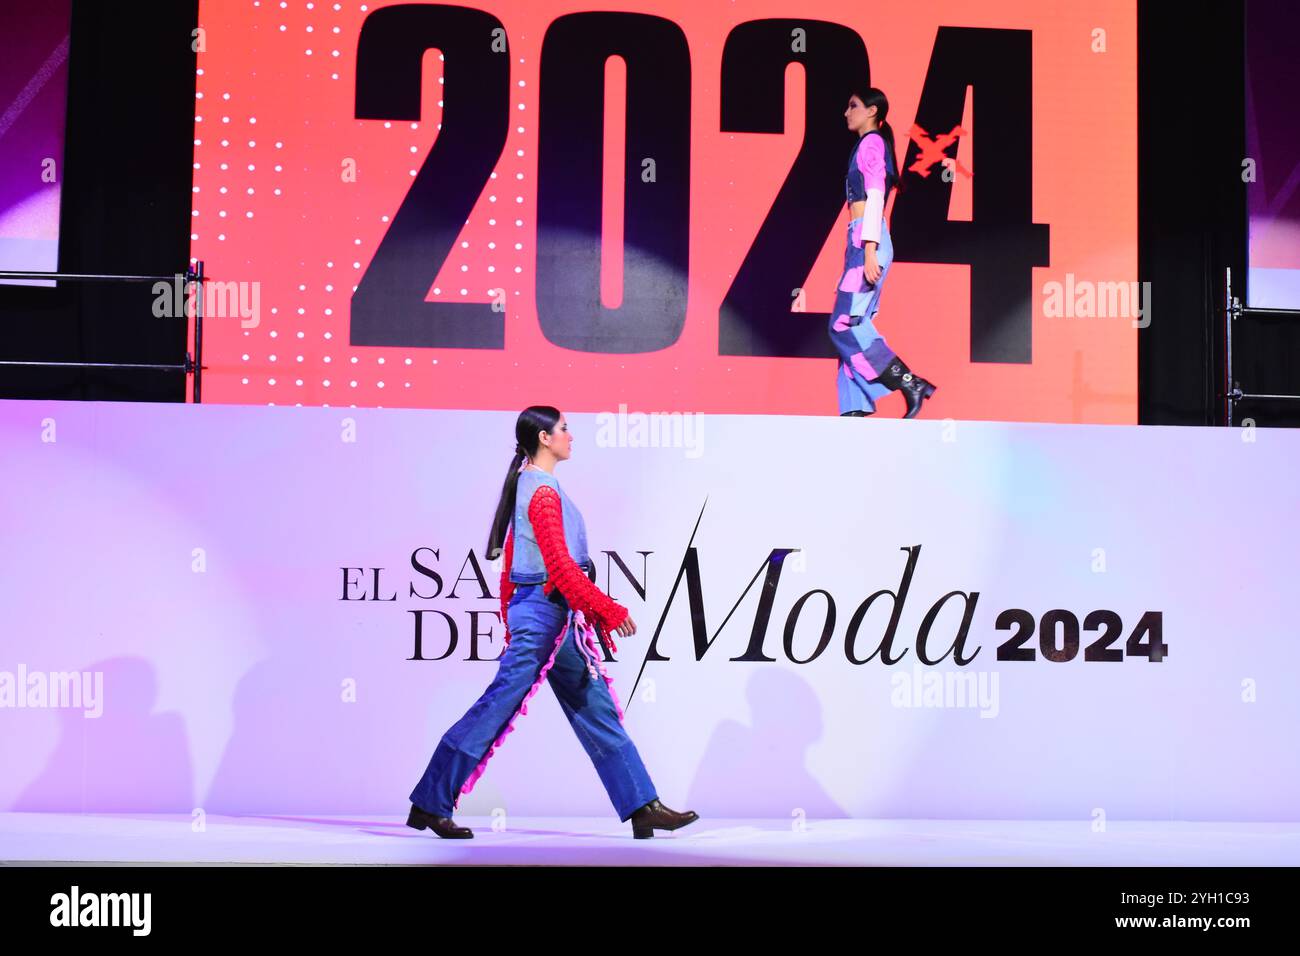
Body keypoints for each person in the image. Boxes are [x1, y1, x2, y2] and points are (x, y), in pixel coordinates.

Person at [406, 406, 699, 839]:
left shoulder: (535, 486)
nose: (570, 435)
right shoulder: (541, 492)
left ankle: (643, 806)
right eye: (563, 428)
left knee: (594, 706)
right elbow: (560, 568)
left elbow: (516, 569)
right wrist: (608, 609)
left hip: (552, 616)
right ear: (544, 438)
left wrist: (529, 611)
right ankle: (430, 803)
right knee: (497, 707)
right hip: (546, 613)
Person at [830, 85, 937, 418]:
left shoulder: (871, 143)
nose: (847, 112)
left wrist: (869, 249)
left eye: (853, 106)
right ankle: (855, 411)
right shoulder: (869, 145)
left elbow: (876, 196)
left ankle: (908, 383)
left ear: (872, 111)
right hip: (862, 239)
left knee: (843, 325)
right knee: (853, 326)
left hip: (866, 239)